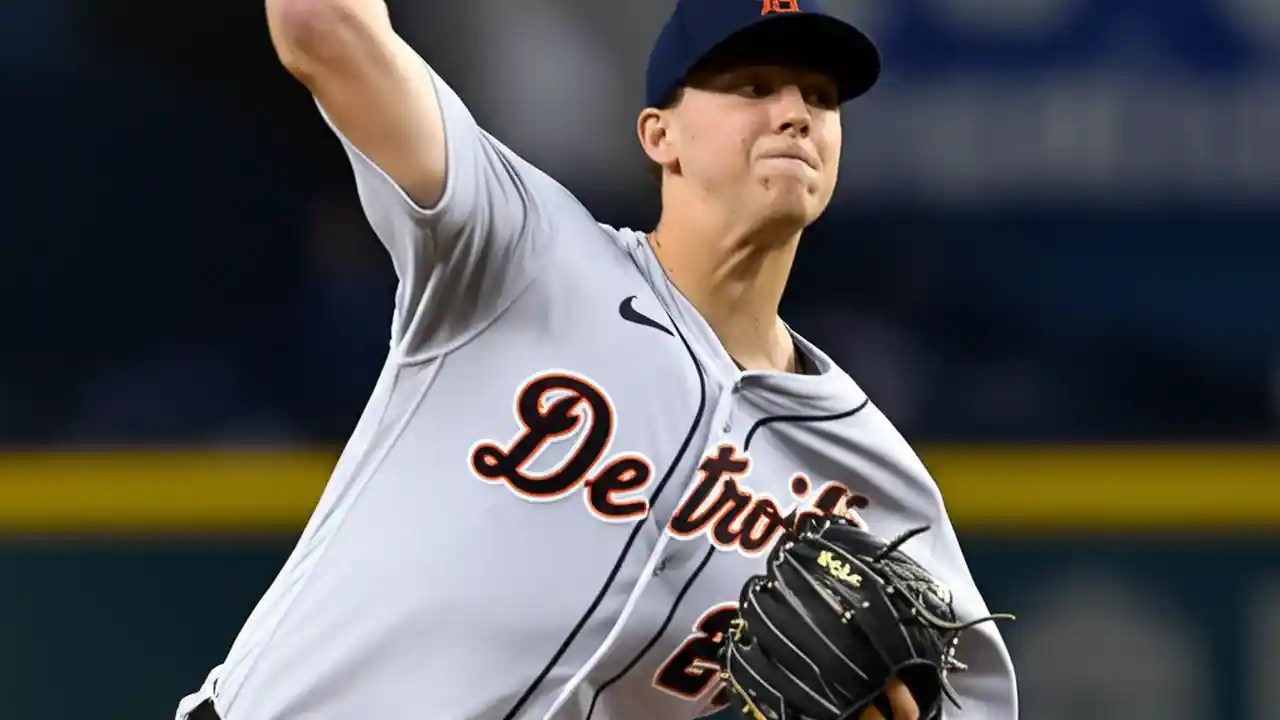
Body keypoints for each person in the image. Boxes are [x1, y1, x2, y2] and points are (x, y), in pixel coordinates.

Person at [175, 0, 1018, 718]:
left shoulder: (875, 483)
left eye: (821, 97)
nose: (795, 112)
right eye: (753, 87)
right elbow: (319, 29)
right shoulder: (523, 253)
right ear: (661, 135)